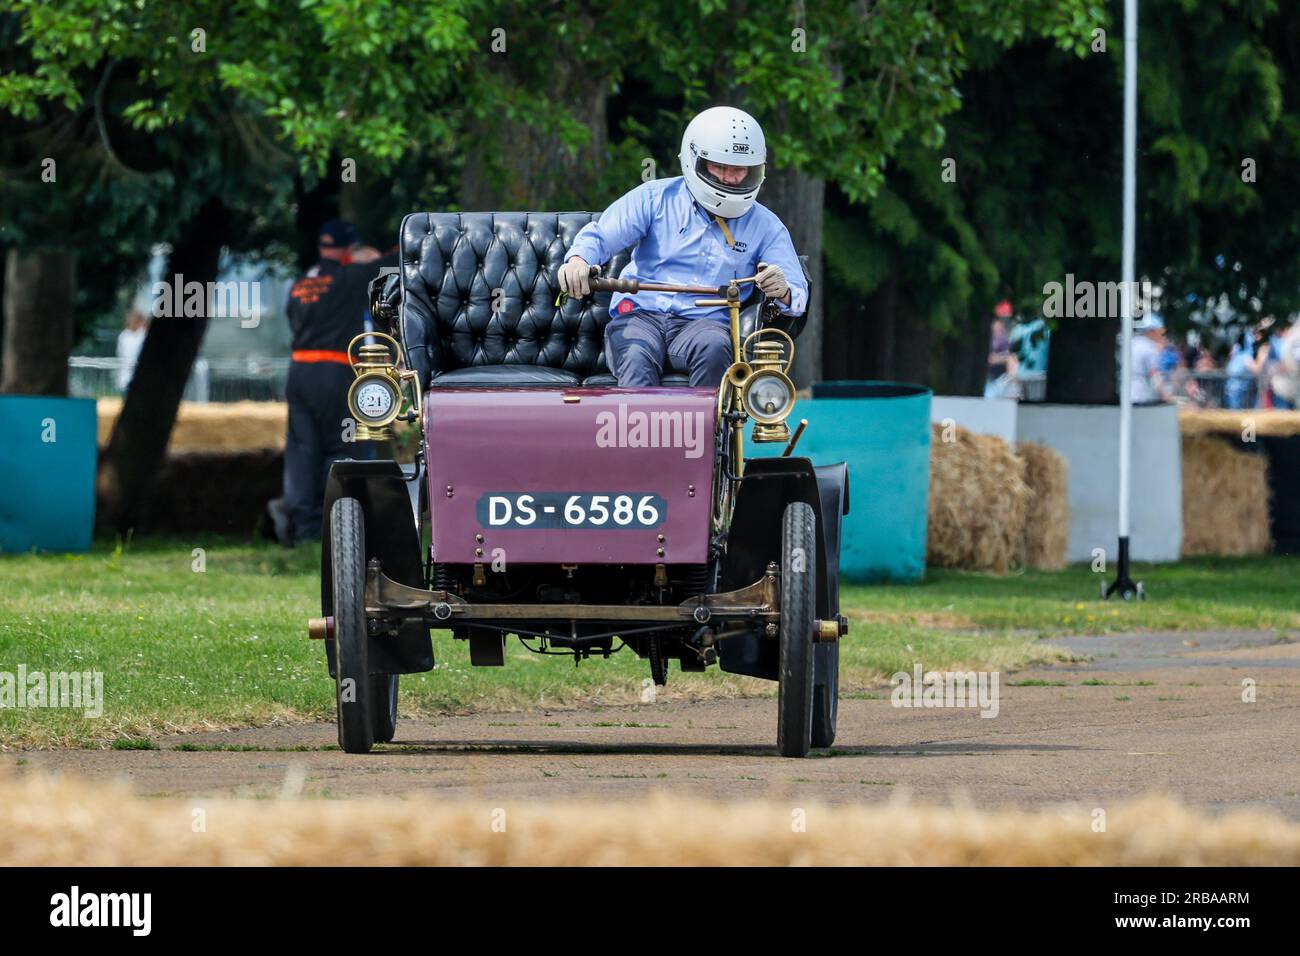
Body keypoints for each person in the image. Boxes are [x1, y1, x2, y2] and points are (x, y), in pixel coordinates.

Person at [557, 106, 808, 387]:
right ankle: (639, 431)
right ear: (694, 160)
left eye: (739, 169)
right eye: (719, 166)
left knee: (715, 347)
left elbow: (797, 296)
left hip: (706, 325)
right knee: (636, 354)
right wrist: (578, 260)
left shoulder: (767, 225)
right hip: (640, 315)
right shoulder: (653, 198)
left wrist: (783, 290)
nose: (729, 177)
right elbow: (600, 236)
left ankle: (709, 432)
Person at [271, 219, 396, 546]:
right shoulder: (350, 277)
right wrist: (371, 258)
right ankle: (339, 525)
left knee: (301, 450)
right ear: (346, 249)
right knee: (342, 447)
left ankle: (302, 528)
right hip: (334, 371)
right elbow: (393, 262)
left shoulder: (301, 283)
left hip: (298, 372)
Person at [1130, 314, 1171, 404]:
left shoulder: (1132, 342)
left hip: (1126, 394)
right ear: (1151, 331)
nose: (1162, 335)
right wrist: (1166, 396)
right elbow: (1154, 375)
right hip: (1141, 396)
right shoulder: (1150, 348)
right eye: (1160, 331)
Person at [115, 308, 148, 392]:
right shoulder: (123, 336)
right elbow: (120, 354)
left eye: (135, 319)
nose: (132, 321)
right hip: (125, 378)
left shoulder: (143, 335)